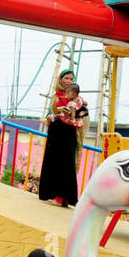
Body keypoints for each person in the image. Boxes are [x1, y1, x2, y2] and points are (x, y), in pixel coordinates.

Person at [38, 72, 87, 206]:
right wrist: (51, 116)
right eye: (66, 78)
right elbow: (50, 112)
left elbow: (84, 112)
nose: (69, 81)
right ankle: (50, 194)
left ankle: (63, 197)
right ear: (60, 79)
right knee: (53, 161)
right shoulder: (56, 96)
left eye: (71, 79)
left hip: (68, 131)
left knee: (66, 163)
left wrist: (71, 112)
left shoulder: (77, 98)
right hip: (55, 130)